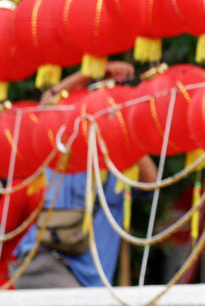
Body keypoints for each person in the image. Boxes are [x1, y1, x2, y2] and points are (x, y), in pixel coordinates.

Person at [11, 63, 155, 290]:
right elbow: (48, 104)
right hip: (47, 263)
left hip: (87, 281)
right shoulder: (63, 144)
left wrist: (124, 128)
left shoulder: (120, 165)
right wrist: (94, 71)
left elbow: (151, 182)